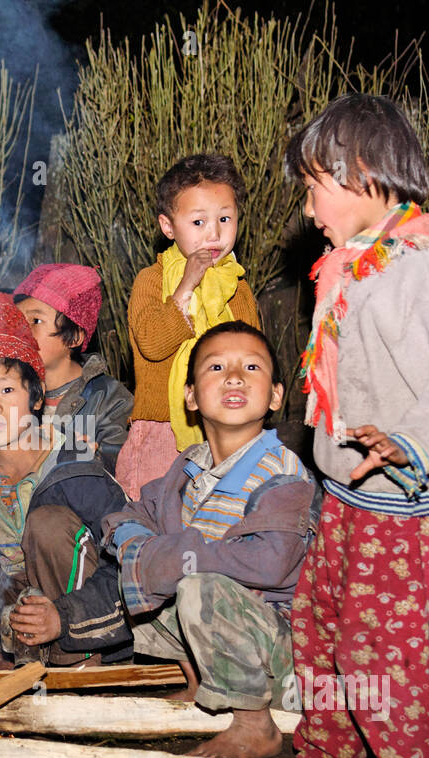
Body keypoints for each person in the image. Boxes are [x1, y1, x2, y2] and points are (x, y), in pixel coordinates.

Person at [283, 93, 429, 758]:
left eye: (315, 189)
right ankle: (333, 754)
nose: (309, 210)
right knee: (317, 625)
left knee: (378, 645)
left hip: (397, 494)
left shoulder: (425, 262)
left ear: (361, 171)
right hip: (342, 486)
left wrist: (410, 441)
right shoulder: (344, 265)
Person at [102, 321, 318, 758]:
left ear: (276, 395)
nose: (234, 377)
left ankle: (254, 723)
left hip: (288, 655)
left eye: (251, 367)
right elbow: (127, 516)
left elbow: (270, 564)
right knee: (139, 569)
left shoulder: (282, 474)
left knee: (195, 581)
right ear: (191, 397)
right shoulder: (189, 468)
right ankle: (199, 683)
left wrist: (177, 554)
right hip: (230, 639)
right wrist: (141, 548)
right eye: (216, 367)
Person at [0, 291, 133, 666]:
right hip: (9, 609)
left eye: (7, 390)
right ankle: (2, 653)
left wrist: (66, 617)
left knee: (47, 523)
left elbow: (130, 560)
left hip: (79, 618)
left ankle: (80, 662)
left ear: (37, 397)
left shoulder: (74, 465)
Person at [116, 153, 261, 500]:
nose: (214, 233)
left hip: (226, 426)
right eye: (198, 223)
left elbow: (255, 356)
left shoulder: (236, 285)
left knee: (218, 519)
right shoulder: (151, 281)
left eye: (225, 218)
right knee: (155, 523)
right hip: (163, 429)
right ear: (168, 227)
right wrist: (185, 288)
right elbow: (151, 343)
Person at [12, 263, 133, 474]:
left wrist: (91, 457)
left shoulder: (110, 399)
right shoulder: (9, 391)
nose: (22, 331)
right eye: (18, 321)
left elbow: (123, 466)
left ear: (75, 337)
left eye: (36, 320)